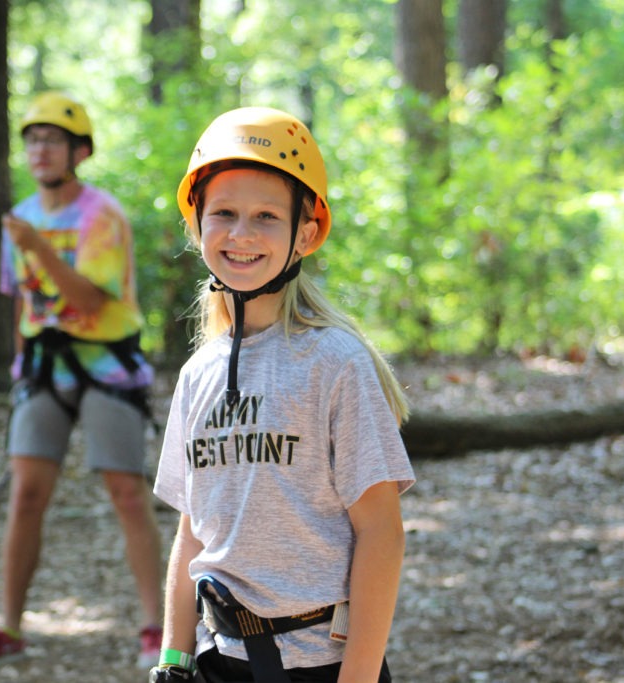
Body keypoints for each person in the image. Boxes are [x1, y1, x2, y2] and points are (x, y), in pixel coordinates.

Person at [148, 107, 416, 683]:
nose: (241, 234)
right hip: (219, 662)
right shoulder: (198, 374)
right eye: (224, 213)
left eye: (266, 216)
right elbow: (192, 532)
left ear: (306, 232)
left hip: (321, 666)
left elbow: (381, 532)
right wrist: (173, 659)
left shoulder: (334, 363)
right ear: (197, 226)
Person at [0, 91, 164, 671]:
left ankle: (157, 628)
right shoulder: (21, 220)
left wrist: (37, 245)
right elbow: (25, 302)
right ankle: (10, 628)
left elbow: (88, 298)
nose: (39, 150)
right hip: (43, 373)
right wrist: (20, 370)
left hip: (106, 369)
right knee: (25, 496)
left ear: (80, 151)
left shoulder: (102, 216)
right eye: (32, 139)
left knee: (126, 493)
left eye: (52, 140)